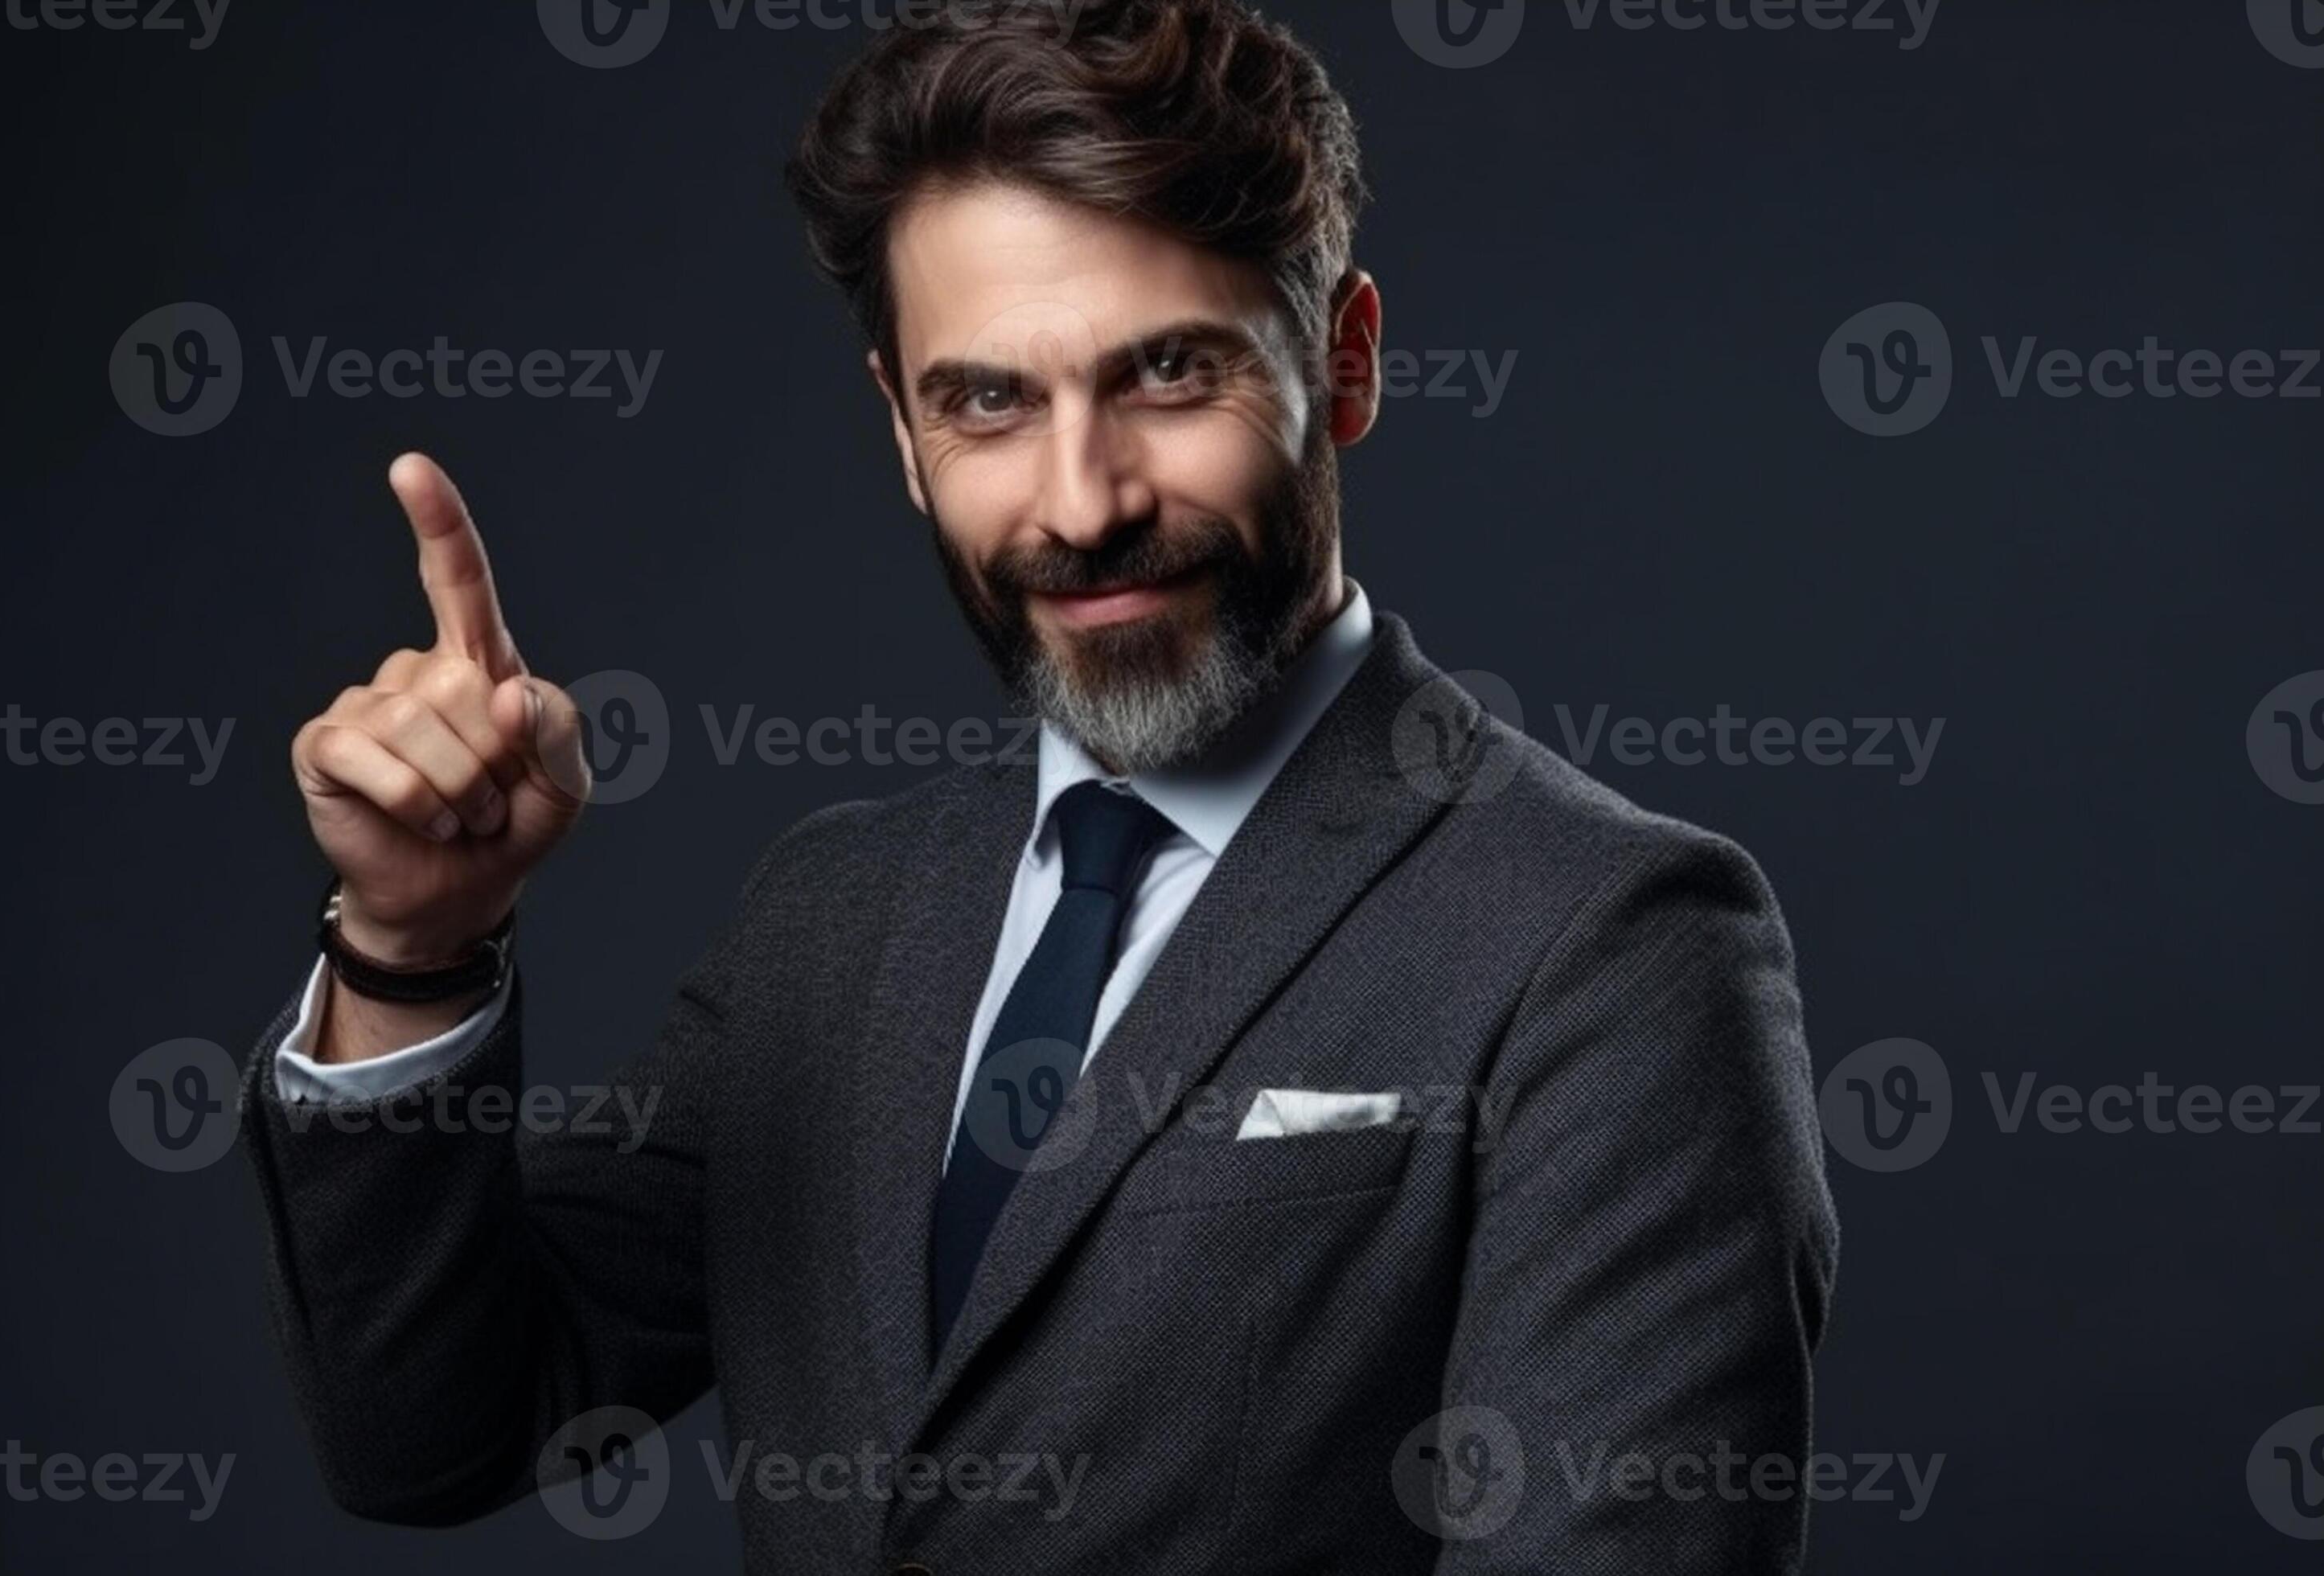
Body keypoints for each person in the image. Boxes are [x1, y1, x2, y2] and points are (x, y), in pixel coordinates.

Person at [240, 2, 1837, 1568]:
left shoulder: (1614, 941)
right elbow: (431, 1430)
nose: (1081, 504)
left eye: (1165, 375)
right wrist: (409, 948)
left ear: (1342, 363)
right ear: (903, 429)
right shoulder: (831, 916)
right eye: (989, 399)